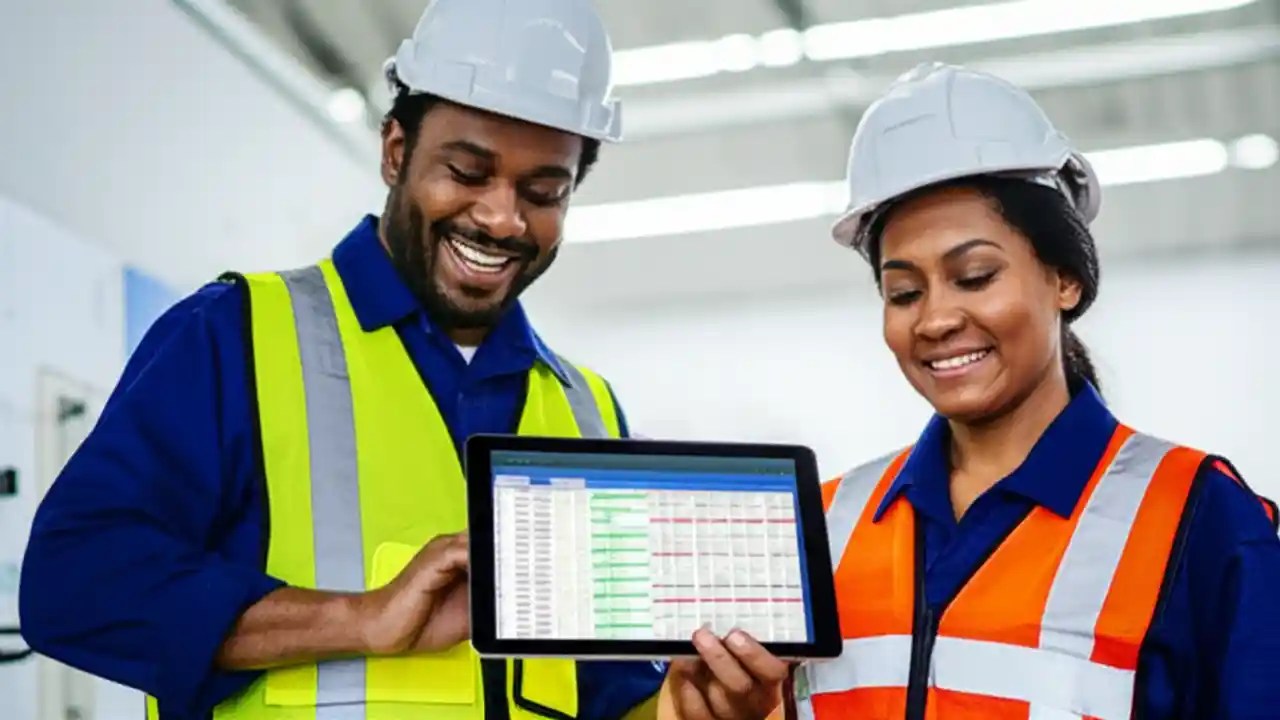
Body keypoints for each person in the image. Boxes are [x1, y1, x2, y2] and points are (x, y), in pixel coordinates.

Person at [18, 0, 668, 718]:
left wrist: (684, 706)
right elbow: (74, 583)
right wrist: (359, 618)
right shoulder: (234, 335)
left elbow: (607, 693)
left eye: (543, 192)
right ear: (396, 150)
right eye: (466, 172)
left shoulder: (587, 409)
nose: (502, 218)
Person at [657, 62, 1280, 719]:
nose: (935, 319)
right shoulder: (824, 527)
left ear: (1064, 279)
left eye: (976, 276)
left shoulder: (1198, 517)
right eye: (904, 292)